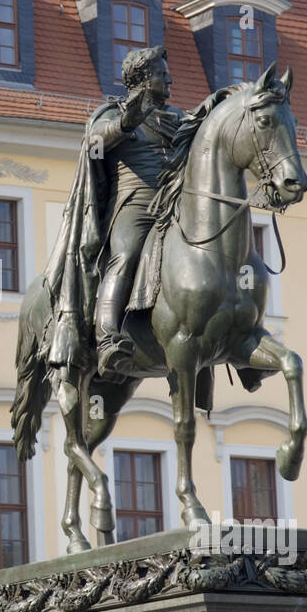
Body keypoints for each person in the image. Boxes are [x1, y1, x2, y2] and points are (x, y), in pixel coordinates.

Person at [43, 45, 183, 382]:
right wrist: (123, 124)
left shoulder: (178, 118)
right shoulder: (113, 112)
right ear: (145, 79)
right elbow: (95, 143)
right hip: (135, 201)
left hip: (175, 203)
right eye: (163, 75)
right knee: (127, 254)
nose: (170, 80)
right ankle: (107, 338)